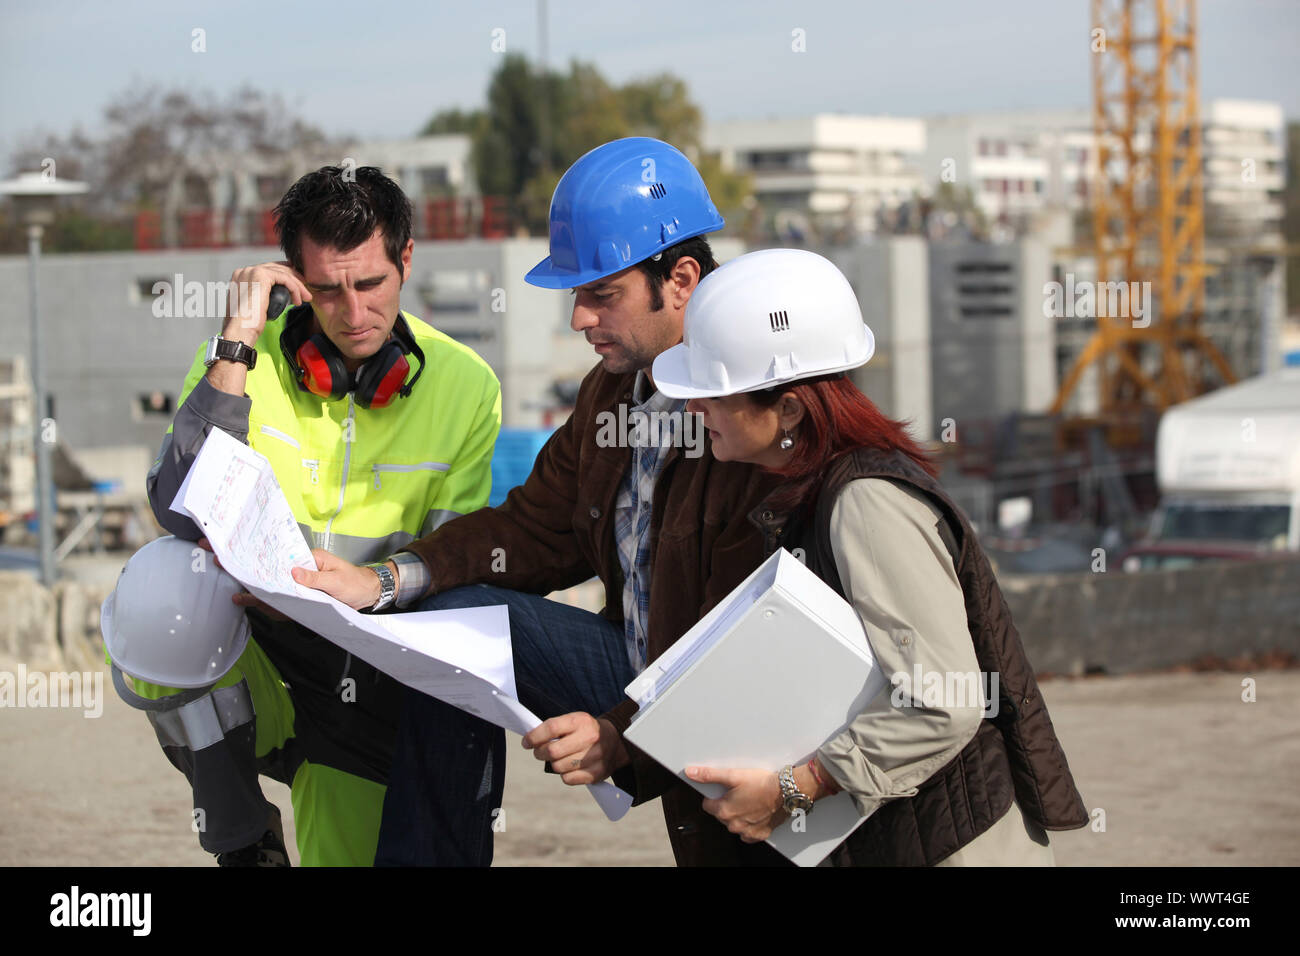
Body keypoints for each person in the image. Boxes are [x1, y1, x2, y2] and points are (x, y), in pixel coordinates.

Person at [295, 137, 782, 866]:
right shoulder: (610, 394)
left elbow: (768, 630)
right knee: (450, 623)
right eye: (575, 296)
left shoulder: (757, 400)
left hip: (752, 698)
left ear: (680, 279)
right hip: (640, 662)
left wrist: (621, 729)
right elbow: (531, 527)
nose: (579, 319)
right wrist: (389, 580)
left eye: (602, 295)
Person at [648, 247, 1089, 865]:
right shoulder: (817, 492)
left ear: (791, 408)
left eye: (714, 395)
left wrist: (793, 791)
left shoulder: (865, 502)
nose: (695, 410)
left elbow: (943, 699)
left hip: (950, 848)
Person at [123, 165, 501, 866]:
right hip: (252, 653)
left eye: (370, 284)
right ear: (291, 279)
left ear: (407, 260)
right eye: (326, 290)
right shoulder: (236, 360)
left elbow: (459, 564)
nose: (353, 313)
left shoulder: (467, 384)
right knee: (161, 588)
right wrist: (237, 338)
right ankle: (244, 842)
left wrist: (371, 593)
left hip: (371, 677)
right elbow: (176, 511)